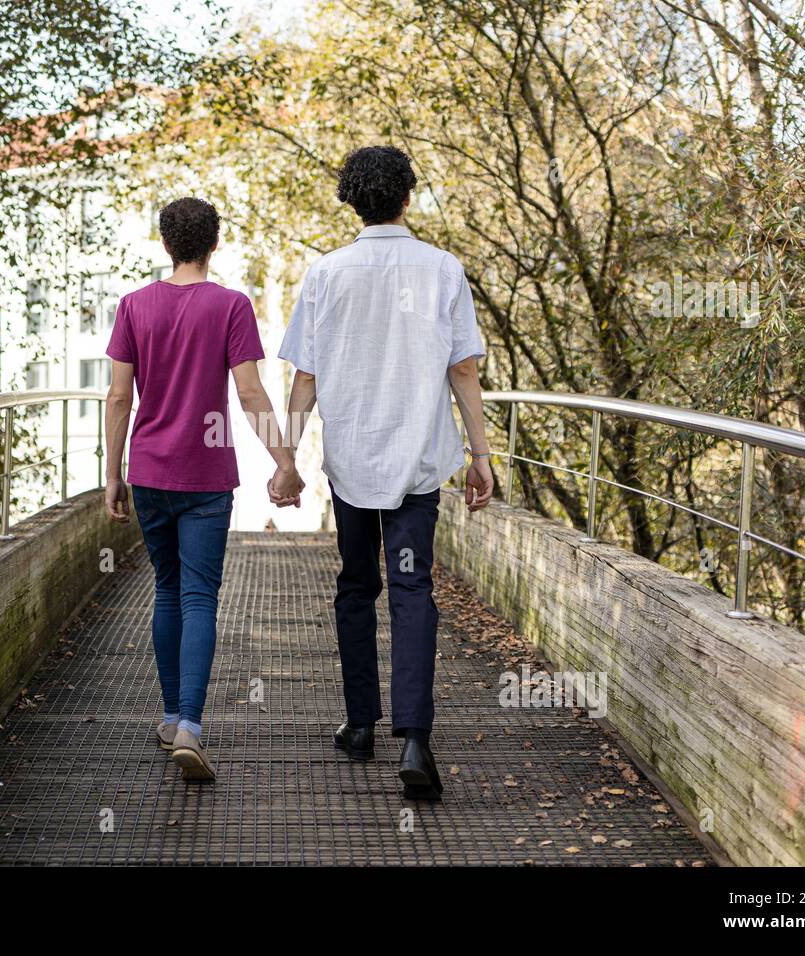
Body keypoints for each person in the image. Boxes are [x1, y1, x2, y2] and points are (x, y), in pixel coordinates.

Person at [274, 146, 494, 801]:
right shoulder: (442, 269)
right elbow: (463, 370)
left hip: (351, 461)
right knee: (411, 589)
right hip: (418, 464)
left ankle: (360, 725)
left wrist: (287, 458)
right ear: (407, 197)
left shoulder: (326, 273)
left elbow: (305, 378)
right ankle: (417, 739)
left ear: (351, 199)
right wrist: (481, 455)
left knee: (355, 586)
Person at [104, 197, 304, 783]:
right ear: (213, 244)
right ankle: (190, 724)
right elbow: (249, 393)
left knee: (167, 590)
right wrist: (284, 463)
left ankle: (171, 717)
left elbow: (119, 397)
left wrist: (112, 473)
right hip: (207, 476)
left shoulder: (134, 306)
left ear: (165, 245)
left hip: (148, 473)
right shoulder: (230, 305)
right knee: (199, 597)